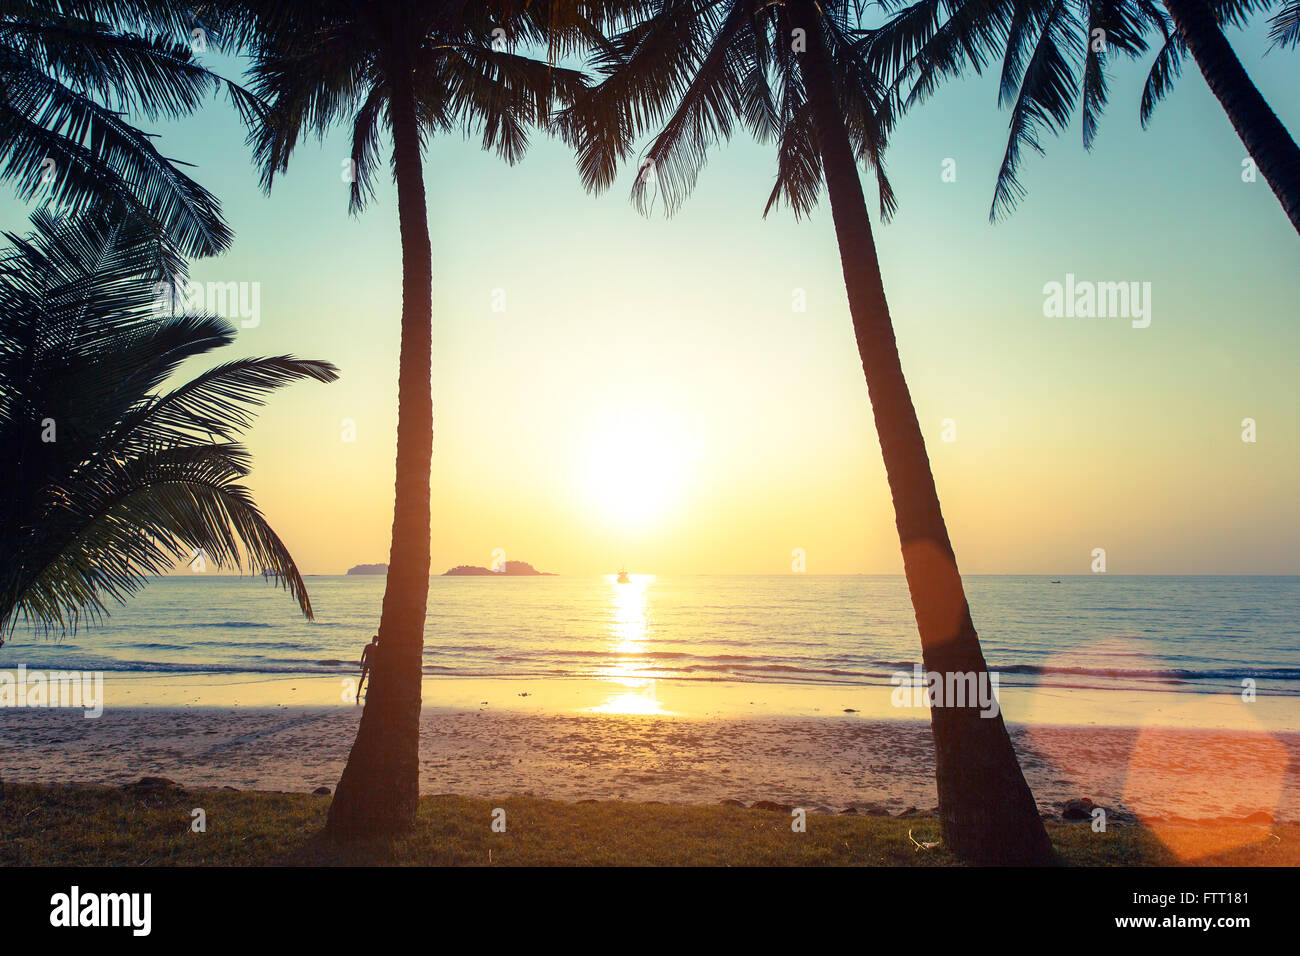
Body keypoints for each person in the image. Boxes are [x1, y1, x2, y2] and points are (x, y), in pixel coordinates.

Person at [356, 636, 378, 705]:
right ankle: (367, 694)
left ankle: (358, 693)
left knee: (362, 678)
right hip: (372, 664)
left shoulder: (367, 646)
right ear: (376, 641)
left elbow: (363, 655)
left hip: (366, 663)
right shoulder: (376, 648)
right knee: (370, 679)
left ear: (372, 640)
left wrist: (361, 664)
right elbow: (377, 657)